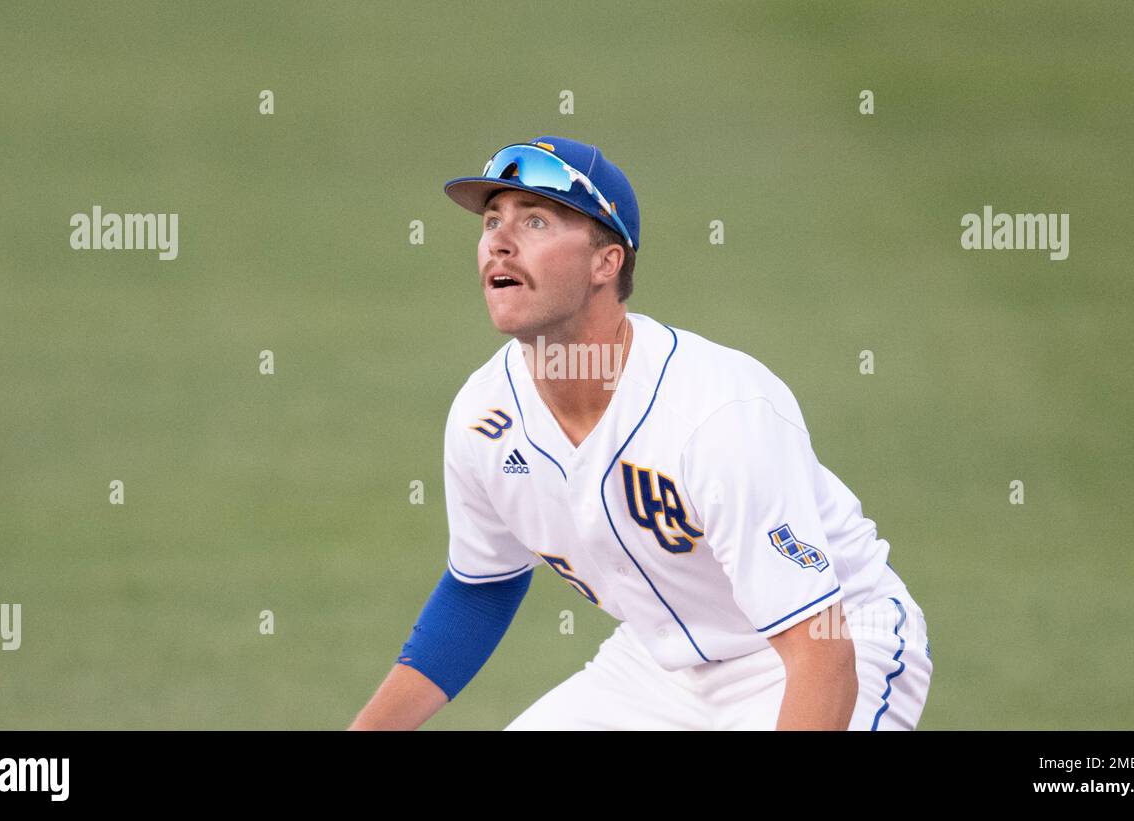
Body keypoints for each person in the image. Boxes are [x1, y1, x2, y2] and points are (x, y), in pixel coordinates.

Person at [350, 135, 932, 730]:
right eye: (493, 220)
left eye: (537, 221)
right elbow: (480, 591)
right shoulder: (483, 417)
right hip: (658, 672)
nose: (498, 241)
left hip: (827, 647)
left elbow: (822, 656)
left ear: (608, 261)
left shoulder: (716, 415)